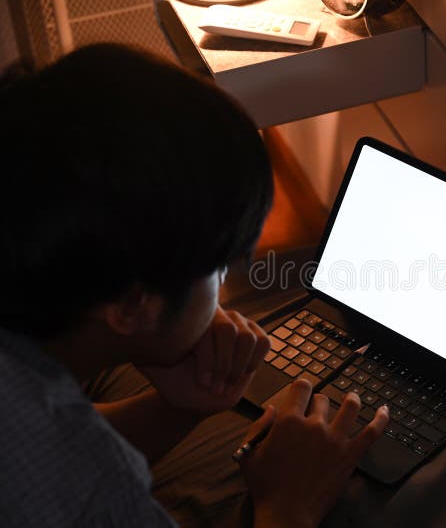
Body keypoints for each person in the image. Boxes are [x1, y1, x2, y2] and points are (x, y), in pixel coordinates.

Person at [0, 43, 389, 527]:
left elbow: (42, 436)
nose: (224, 284)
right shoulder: (99, 488)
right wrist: (287, 507)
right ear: (131, 305)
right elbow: (61, 464)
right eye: (218, 269)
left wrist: (176, 410)